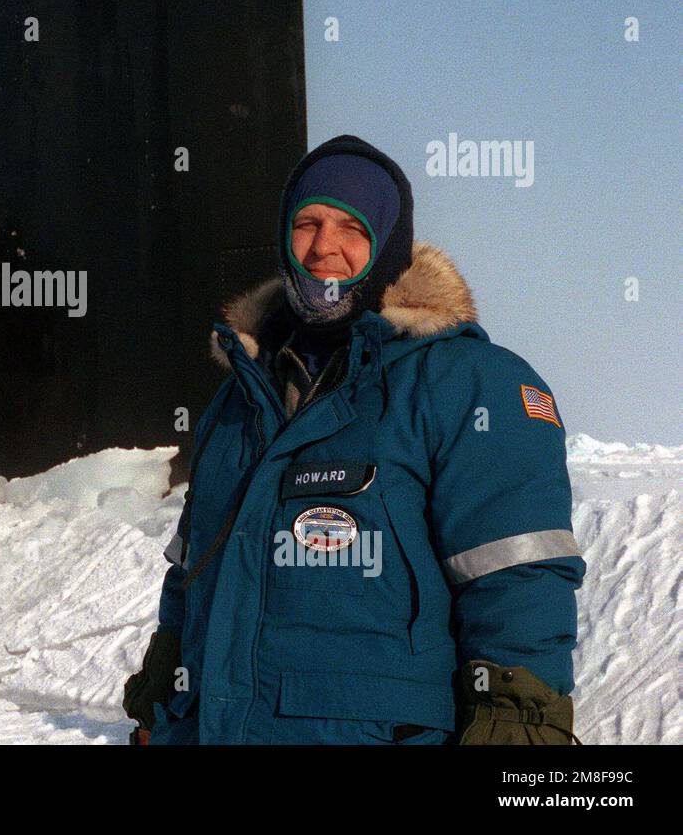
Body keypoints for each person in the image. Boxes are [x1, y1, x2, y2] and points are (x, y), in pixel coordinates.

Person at [123, 134, 584, 744]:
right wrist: (166, 698)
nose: (324, 248)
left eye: (351, 227)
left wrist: (519, 733)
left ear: (388, 243)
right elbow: (190, 575)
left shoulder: (470, 385)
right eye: (307, 223)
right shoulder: (239, 399)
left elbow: (516, 581)